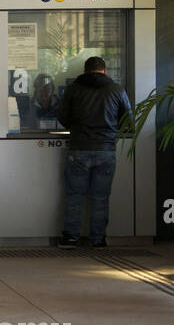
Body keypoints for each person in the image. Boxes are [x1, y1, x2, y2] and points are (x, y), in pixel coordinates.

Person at [56, 56, 132, 249]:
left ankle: (71, 238)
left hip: (79, 148)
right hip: (106, 149)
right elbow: (128, 121)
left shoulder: (74, 89)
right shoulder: (116, 90)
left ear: (85, 70)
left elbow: (63, 117)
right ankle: (97, 239)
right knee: (100, 197)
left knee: (75, 195)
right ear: (104, 71)